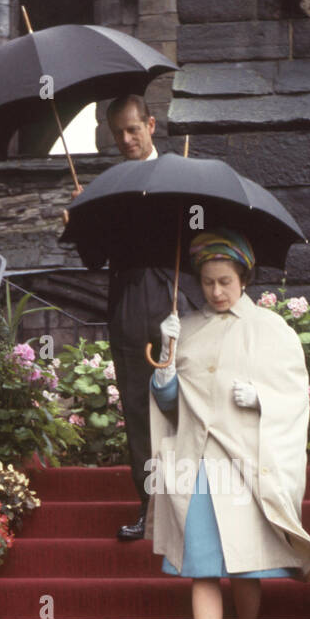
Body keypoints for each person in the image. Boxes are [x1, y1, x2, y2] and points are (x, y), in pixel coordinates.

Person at [146, 229, 310, 619]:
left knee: (242, 560)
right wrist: (164, 366)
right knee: (201, 567)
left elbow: (295, 396)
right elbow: (170, 405)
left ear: (243, 278)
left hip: (244, 460)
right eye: (207, 283)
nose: (216, 292)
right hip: (197, 465)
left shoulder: (273, 330)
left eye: (225, 281)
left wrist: (262, 398)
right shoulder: (189, 328)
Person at [75, 95, 202, 540]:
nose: (127, 139)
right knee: (137, 408)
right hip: (128, 306)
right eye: (118, 133)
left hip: (176, 303)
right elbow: (94, 258)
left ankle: (192, 514)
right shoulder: (109, 186)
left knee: (186, 407)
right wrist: (82, 217)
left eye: (133, 129)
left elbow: (202, 243)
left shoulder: (182, 177)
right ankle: (148, 511)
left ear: (151, 124)